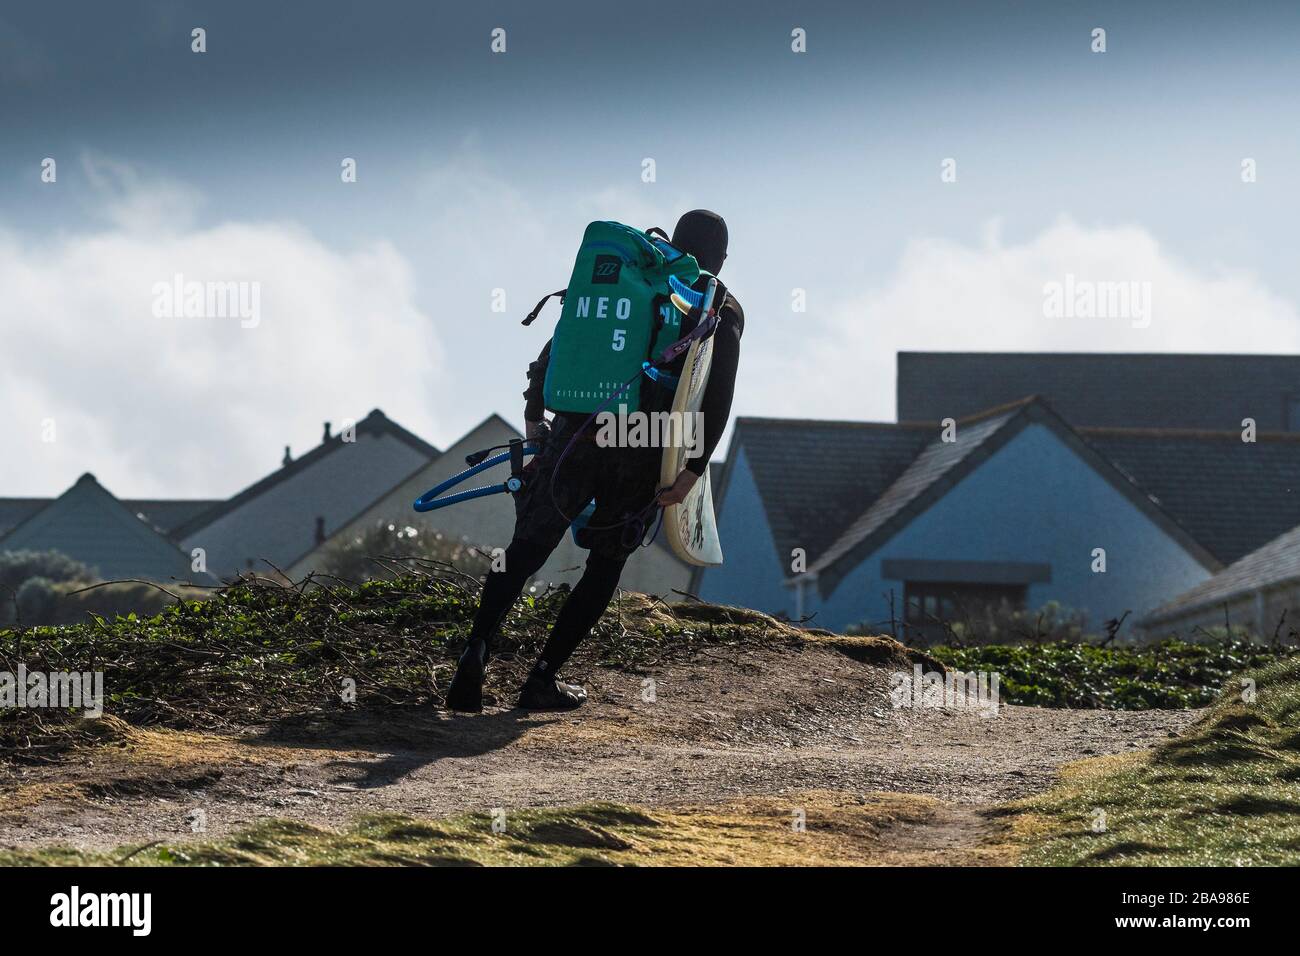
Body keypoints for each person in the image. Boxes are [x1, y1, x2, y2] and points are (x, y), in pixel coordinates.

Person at [445, 209, 744, 711]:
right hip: (644, 443)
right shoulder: (719, 302)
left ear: (671, 241)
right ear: (723, 257)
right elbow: (716, 394)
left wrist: (535, 412)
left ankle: (474, 657)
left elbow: (565, 339)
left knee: (525, 549)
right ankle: (541, 679)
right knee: (604, 564)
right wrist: (693, 469)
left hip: (578, 428)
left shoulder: (627, 279)